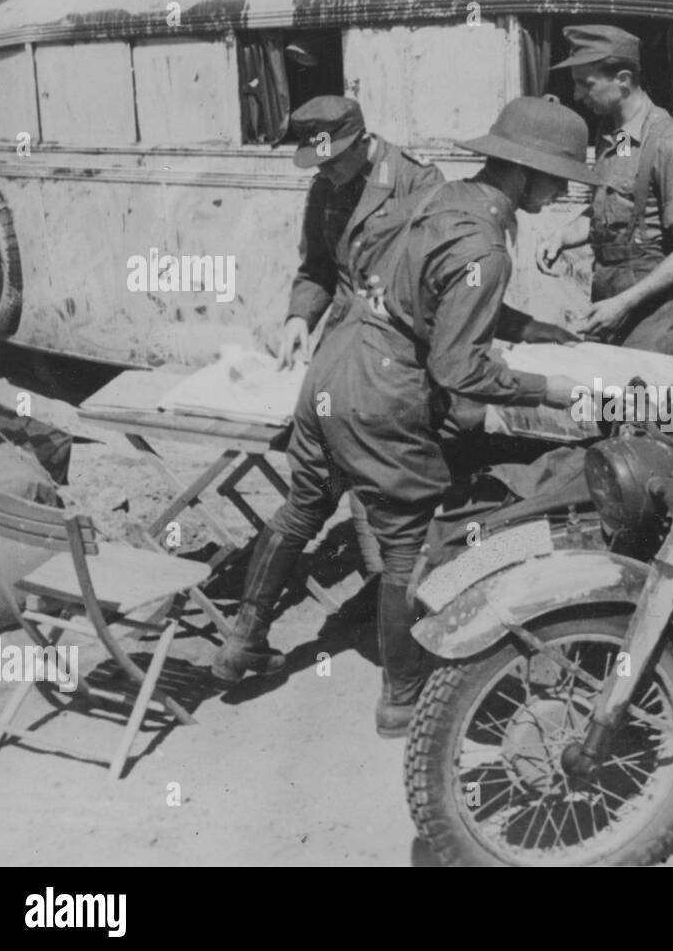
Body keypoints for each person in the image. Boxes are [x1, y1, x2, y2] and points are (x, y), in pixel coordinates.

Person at [213, 98, 598, 740]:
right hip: (381, 395)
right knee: (403, 552)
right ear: (523, 172)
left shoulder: (444, 200)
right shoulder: (488, 243)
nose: (561, 192)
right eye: (557, 177)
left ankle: (242, 642)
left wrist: (528, 326)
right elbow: (459, 371)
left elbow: (426, 292)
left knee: (303, 507)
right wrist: (554, 389)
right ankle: (402, 698)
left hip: (331, 375)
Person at [278, 96, 446, 574]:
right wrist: (299, 319)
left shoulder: (417, 181)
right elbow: (316, 269)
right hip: (343, 344)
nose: (325, 172)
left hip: (398, 347)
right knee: (333, 459)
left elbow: (434, 276)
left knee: (387, 467)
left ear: (361, 142)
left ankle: (392, 582)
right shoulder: (326, 187)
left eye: (331, 161)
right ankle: (382, 582)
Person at [535, 25, 673, 365]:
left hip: (655, 309)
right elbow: (613, 209)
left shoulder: (672, 144)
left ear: (623, 80)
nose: (578, 95)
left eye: (587, 84)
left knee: (643, 409)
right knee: (608, 407)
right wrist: (561, 236)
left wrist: (624, 303)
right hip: (609, 295)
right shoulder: (615, 135)